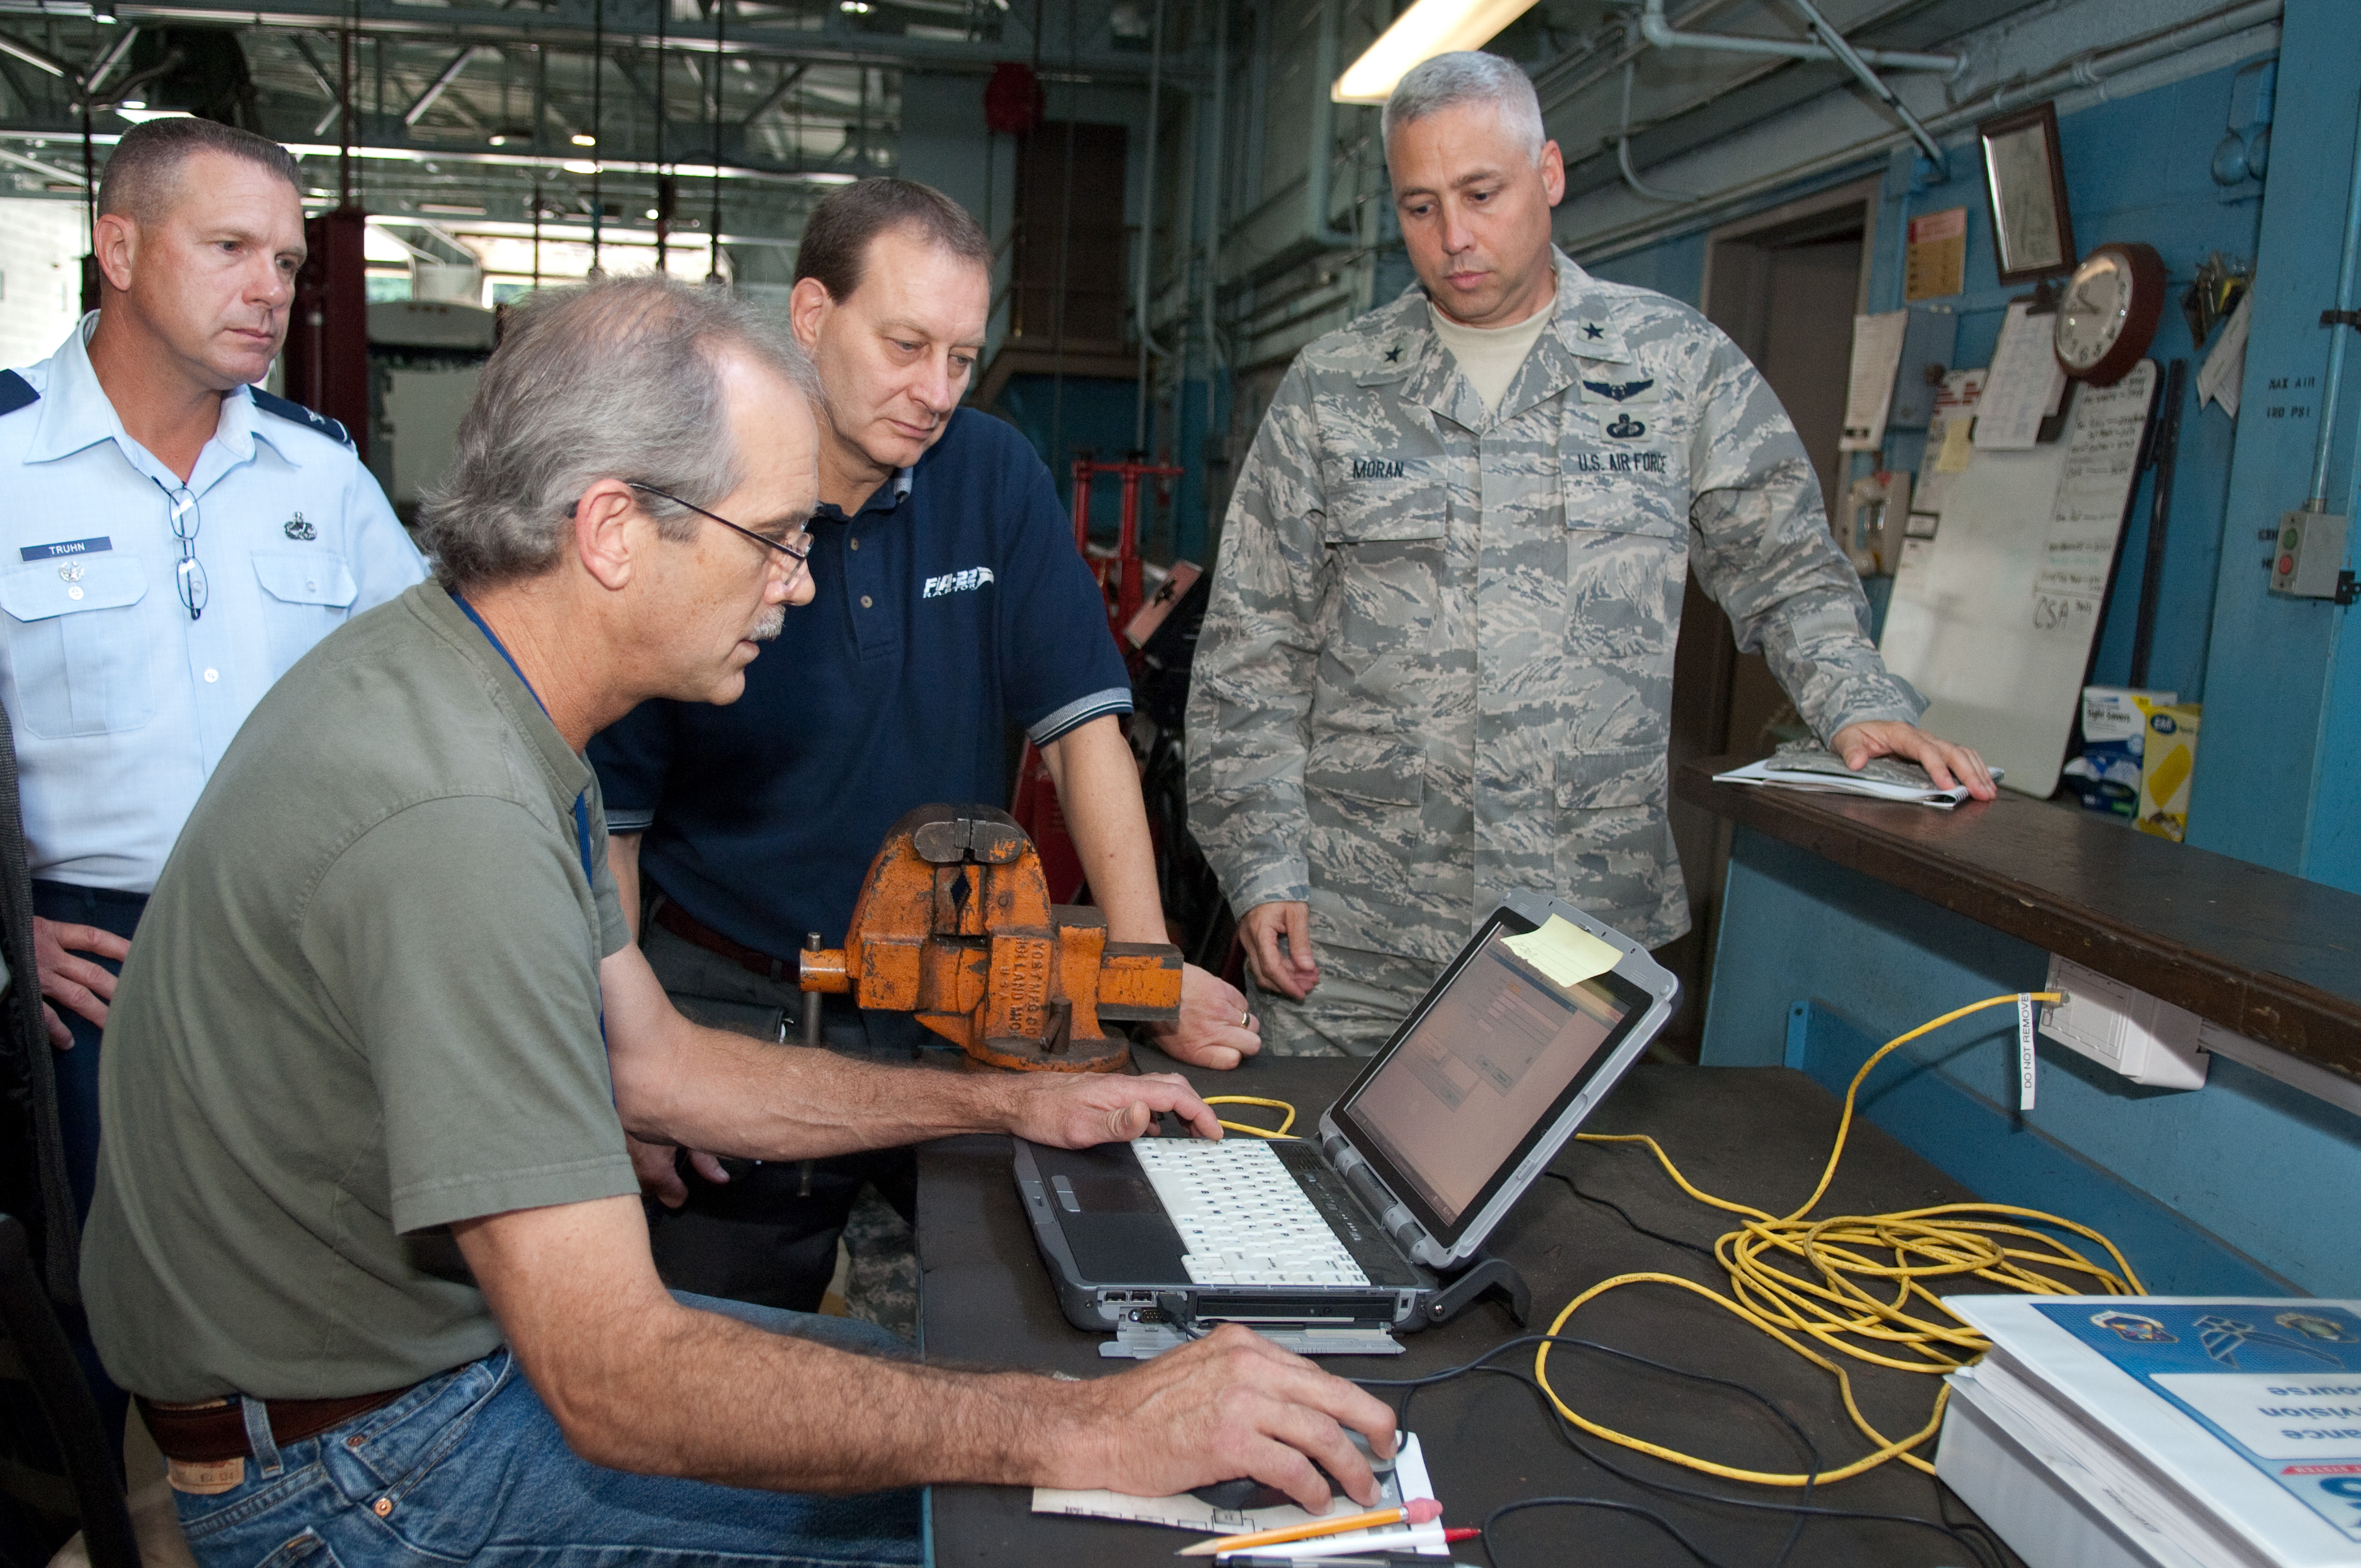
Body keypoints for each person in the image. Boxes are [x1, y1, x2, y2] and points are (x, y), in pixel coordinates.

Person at [81, 276, 1396, 1568]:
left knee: (910, 1381)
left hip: (397, 1374)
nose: (804, 586)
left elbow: (655, 1066)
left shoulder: (469, 689)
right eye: (775, 537)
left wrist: (1003, 1106)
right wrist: (1088, 1429)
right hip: (360, 1468)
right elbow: (615, 1379)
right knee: (1013, 1513)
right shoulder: (455, 812)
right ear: (611, 531)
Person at [1186, 53, 1993, 1057]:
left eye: (1481, 194)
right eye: (1419, 208)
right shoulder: (1332, 389)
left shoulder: (1674, 368)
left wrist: (1855, 698)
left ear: (1550, 174)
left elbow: (1783, 567)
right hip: (1355, 936)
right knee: (1317, 1189)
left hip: (1575, 926)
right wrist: (1260, 862)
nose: (1454, 239)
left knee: (1571, 1206)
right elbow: (1249, 652)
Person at [589, 179, 1258, 1310]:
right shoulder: (702, 494)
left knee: (1018, 1329)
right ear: (811, 315)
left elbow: (1086, 732)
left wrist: (1142, 973)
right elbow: (610, 832)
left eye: (961, 355)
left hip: (955, 1009)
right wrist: (612, 1065)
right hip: (726, 1012)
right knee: (720, 1390)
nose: (936, 390)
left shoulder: (991, 476)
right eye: (905, 344)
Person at [0, 116, 424, 1424]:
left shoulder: (320, 470)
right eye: (231, 247)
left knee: (304, 1294)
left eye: (289, 262)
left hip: (298, 958)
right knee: (89, 1314)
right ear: (118, 250)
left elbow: (415, 704)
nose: (270, 291)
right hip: (91, 967)